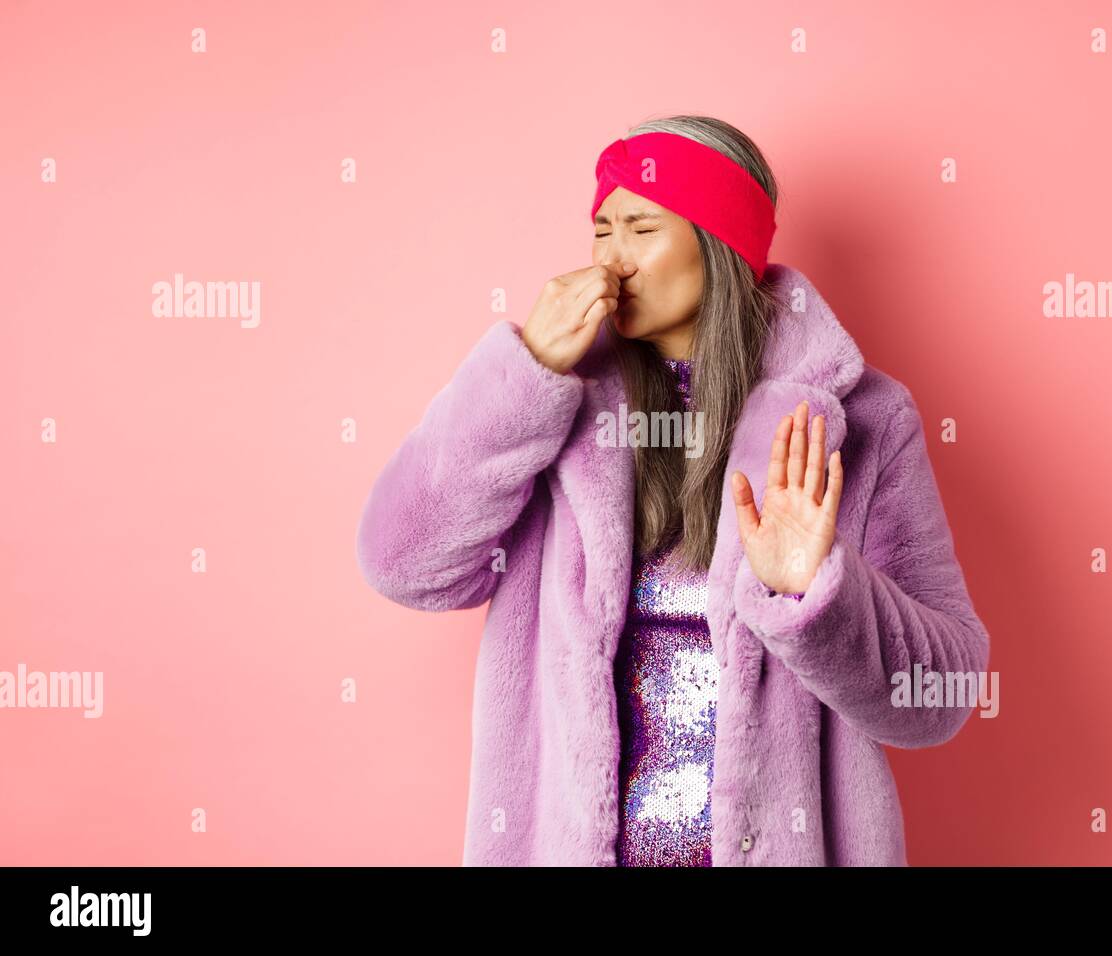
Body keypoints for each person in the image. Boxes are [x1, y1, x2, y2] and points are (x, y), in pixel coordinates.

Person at [355, 114, 990, 866]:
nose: (610, 261)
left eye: (640, 228)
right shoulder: (556, 403)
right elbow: (402, 562)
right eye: (599, 232)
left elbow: (941, 695)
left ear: (721, 244)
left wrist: (817, 592)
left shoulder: (864, 421)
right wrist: (525, 377)